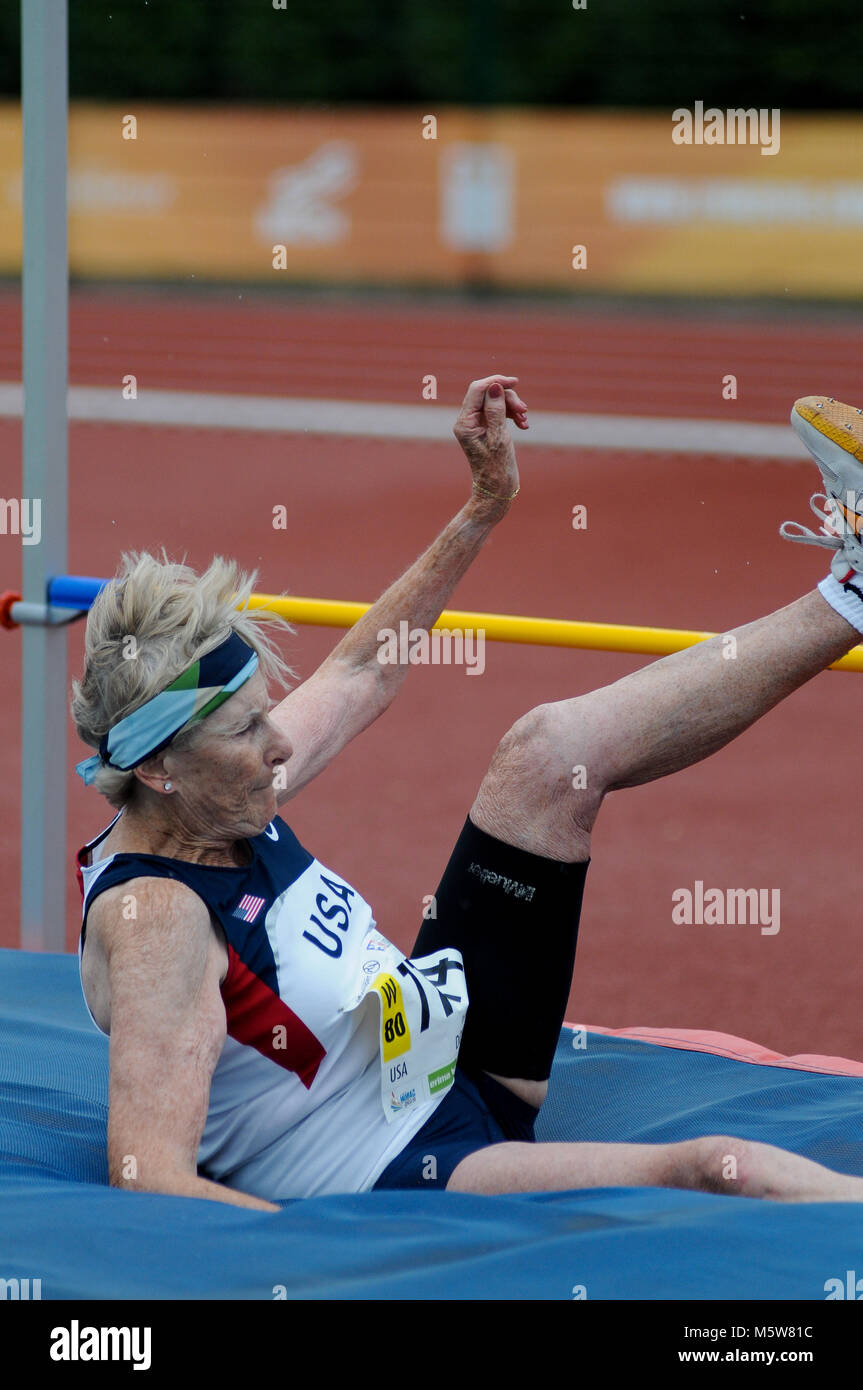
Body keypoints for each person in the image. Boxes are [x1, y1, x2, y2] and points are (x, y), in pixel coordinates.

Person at [74, 380, 863, 1211]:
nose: (278, 747)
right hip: (415, 1163)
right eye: (244, 734)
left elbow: (362, 668)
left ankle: (852, 592)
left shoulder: (210, 793)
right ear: (158, 768)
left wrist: (484, 505)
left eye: (265, 715)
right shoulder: (158, 923)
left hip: (447, 1045)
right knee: (718, 1166)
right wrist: (318, 1255)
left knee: (547, 752)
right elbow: (152, 1180)